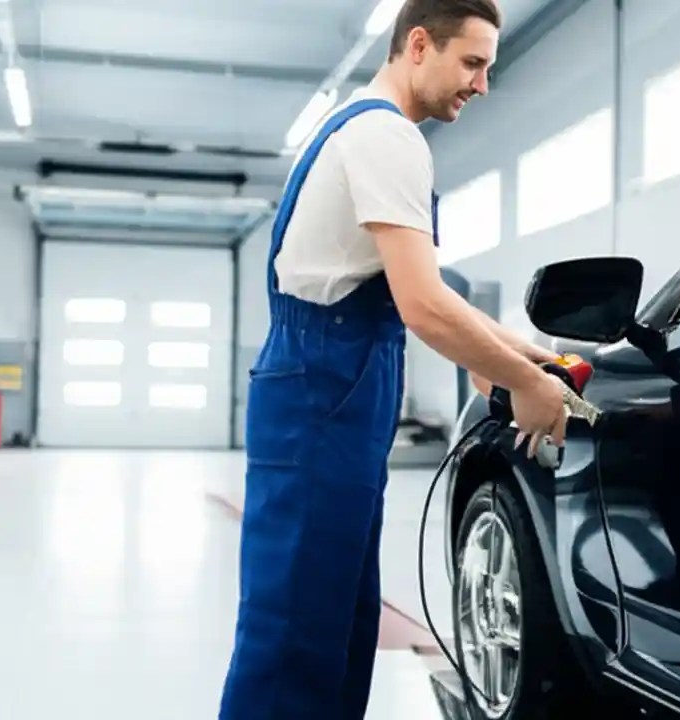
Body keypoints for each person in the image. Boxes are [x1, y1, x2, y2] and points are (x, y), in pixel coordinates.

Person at [218, 1, 569, 717]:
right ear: (418, 44)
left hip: (327, 386)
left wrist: (510, 352)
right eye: (472, 63)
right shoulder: (388, 139)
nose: (482, 85)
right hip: (326, 392)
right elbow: (423, 306)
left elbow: (425, 290)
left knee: (338, 622)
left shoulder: (365, 127)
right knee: (293, 635)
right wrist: (525, 385)